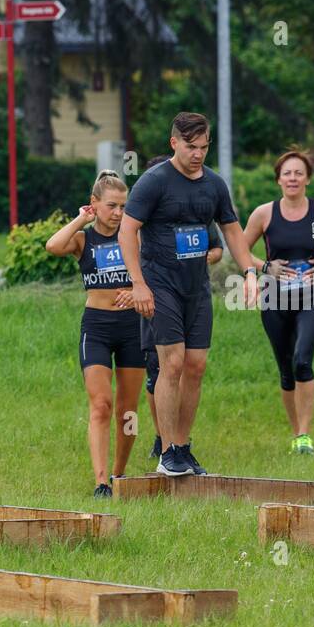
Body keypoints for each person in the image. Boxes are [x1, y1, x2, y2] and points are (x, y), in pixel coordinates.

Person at [119, 112, 259, 477]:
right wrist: (138, 284)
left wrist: (249, 273)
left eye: (204, 147)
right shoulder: (154, 182)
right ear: (174, 143)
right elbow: (126, 231)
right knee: (173, 364)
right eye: (191, 147)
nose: (198, 154)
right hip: (159, 283)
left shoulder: (214, 184)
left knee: (196, 367)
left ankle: (182, 446)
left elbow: (231, 230)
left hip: (196, 288)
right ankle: (166, 453)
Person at [242, 149, 314, 454]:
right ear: (278, 179)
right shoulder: (264, 214)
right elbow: (240, 248)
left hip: (313, 298)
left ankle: (305, 435)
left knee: (303, 359)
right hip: (274, 298)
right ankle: (296, 434)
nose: (293, 178)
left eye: (298, 173)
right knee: (286, 369)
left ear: (308, 179)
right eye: (287, 173)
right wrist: (265, 266)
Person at [45, 170, 143, 498]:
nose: (118, 213)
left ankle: (119, 475)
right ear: (95, 204)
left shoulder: (134, 236)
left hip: (132, 326)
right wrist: (80, 221)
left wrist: (138, 289)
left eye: (123, 207)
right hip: (97, 327)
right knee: (101, 405)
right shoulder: (83, 240)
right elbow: (53, 246)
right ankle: (100, 482)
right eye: (112, 206)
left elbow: (157, 269)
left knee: (128, 410)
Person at [138, 154, 223, 462]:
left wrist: (205, 257)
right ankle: (163, 443)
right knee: (158, 369)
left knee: (188, 366)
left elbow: (216, 248)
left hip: (192, 291)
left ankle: (179, 446)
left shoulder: (198, 208)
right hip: (153, 291)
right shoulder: (144, 210)